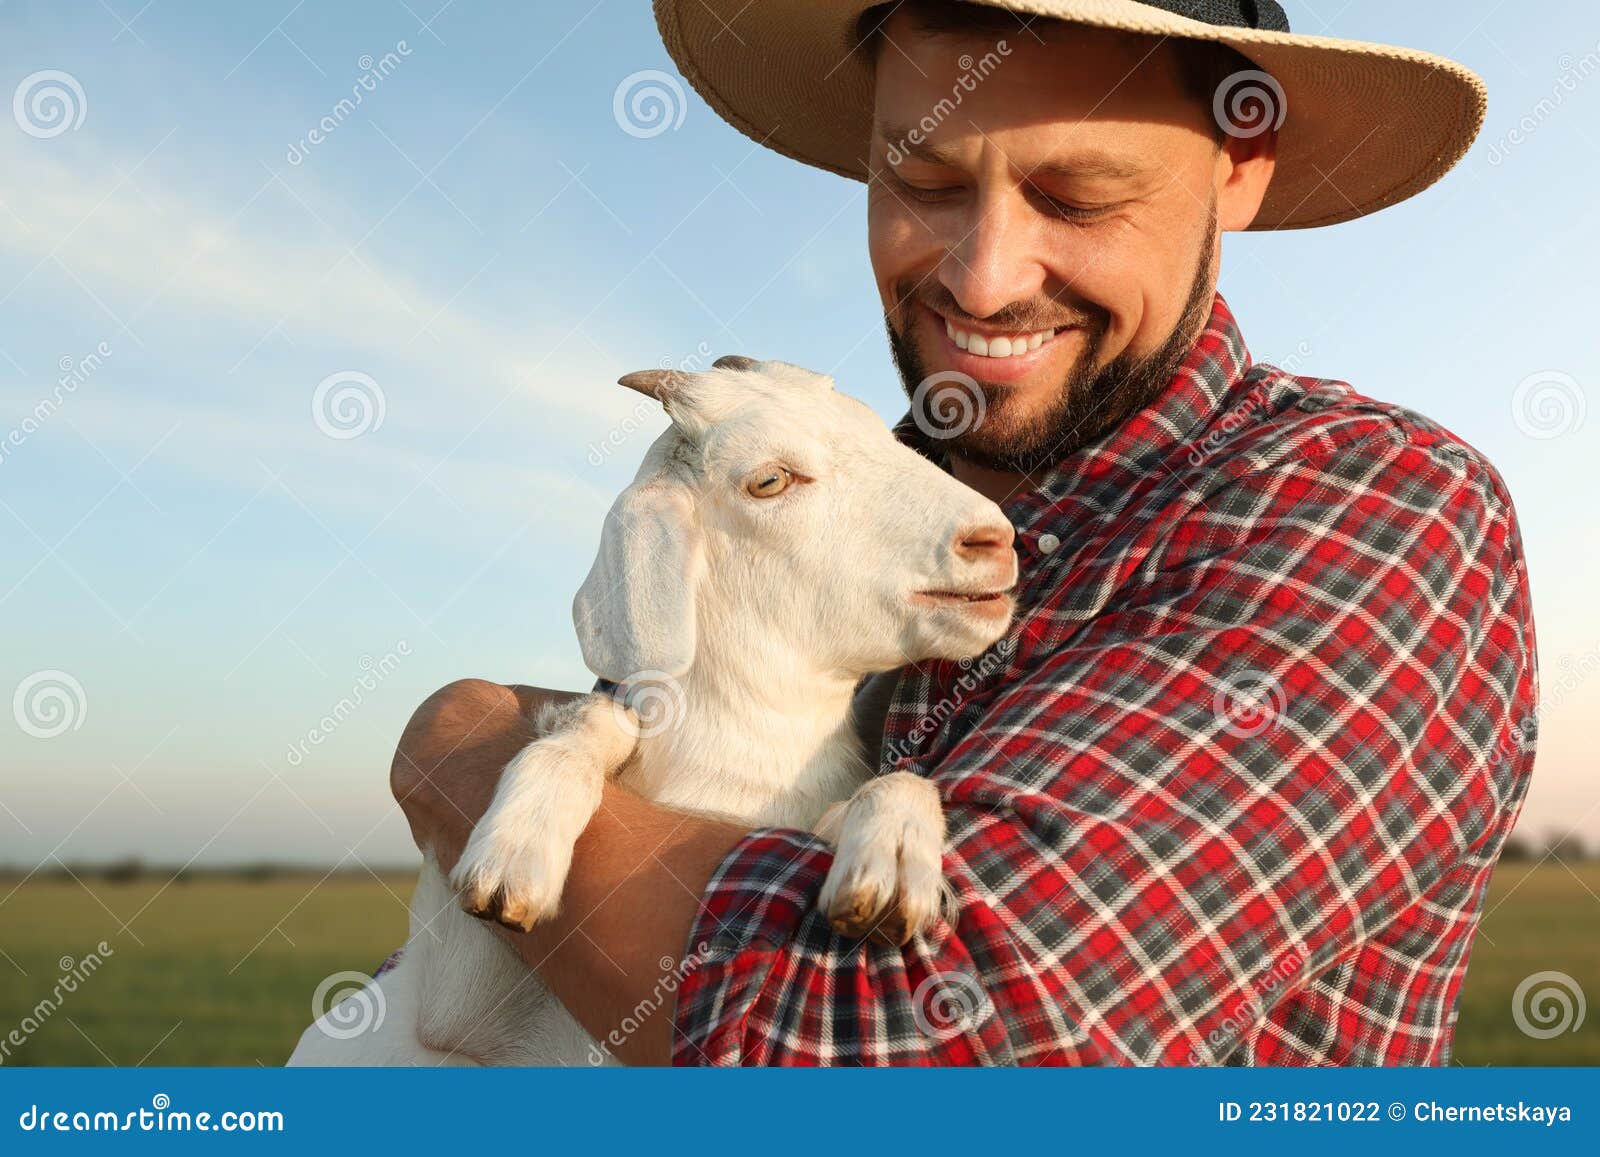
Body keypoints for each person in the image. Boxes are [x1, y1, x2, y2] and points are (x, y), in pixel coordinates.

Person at [391, 0, 1536, 1065]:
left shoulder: (1366, 508)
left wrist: (467, 755)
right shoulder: (824, 515)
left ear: (1237, 164)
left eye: (1080, 195)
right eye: (924, 178)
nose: (982, 281)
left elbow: (931, 1046)